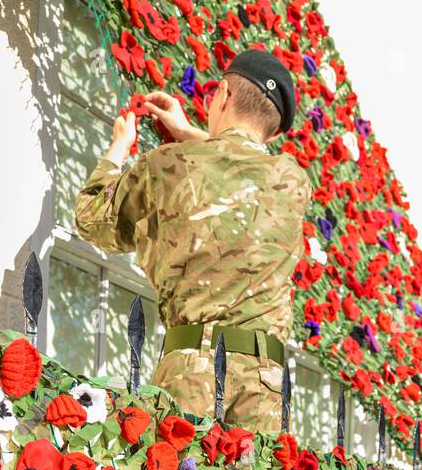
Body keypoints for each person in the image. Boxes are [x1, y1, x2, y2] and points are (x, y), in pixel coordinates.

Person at [74, 48, 313, 429]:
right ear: (278, 131)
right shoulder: (294, 183)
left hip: (191, 367)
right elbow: (242, 162)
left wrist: (120, 144)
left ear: (223, 93)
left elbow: (91, 218)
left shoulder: (166, 165)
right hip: (265, 384)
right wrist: (192, 133)